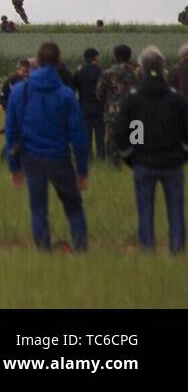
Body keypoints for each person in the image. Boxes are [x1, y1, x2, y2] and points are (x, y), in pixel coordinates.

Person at [6, 42, 89, 252]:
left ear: (38, 61)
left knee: (38, 209)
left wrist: (13, 167)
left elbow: (11, 131)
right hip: (59, 158)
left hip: (31, 159)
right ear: (59, 61)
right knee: (73, 207)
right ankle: (80, 250)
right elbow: (78, 135)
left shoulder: (19, 91)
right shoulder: (66, 94)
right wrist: (82, 169)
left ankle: (44, 251)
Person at [113, 46, 188, 253]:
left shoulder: (134, 98)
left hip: (143, 162)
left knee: (145, 210)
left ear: (142, 69)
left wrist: (131, 154)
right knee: (175, 209)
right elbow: (185, 129)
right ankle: (177, 249)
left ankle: (148, 249)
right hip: (173, 163)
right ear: (163, 67)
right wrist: (183, 152)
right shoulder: (175, 98)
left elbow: (126, 129)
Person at [97, 45, 139, 165]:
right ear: (129, 55)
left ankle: (113, 164)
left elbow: (100, 92)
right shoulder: (136, 71)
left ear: (115, 56)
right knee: (136, 138)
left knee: (112, 139)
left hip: (113, 111)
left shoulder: (108, 72)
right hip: (134, 110)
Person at [73, 48, 105, 163]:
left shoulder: (79, 72)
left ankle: (88, 158)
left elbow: (74, 87)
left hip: (84, 106)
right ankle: (101, 157)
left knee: (86, 135)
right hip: (99, 107)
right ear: (95, 57)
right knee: (100, 135)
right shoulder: (101, 72)